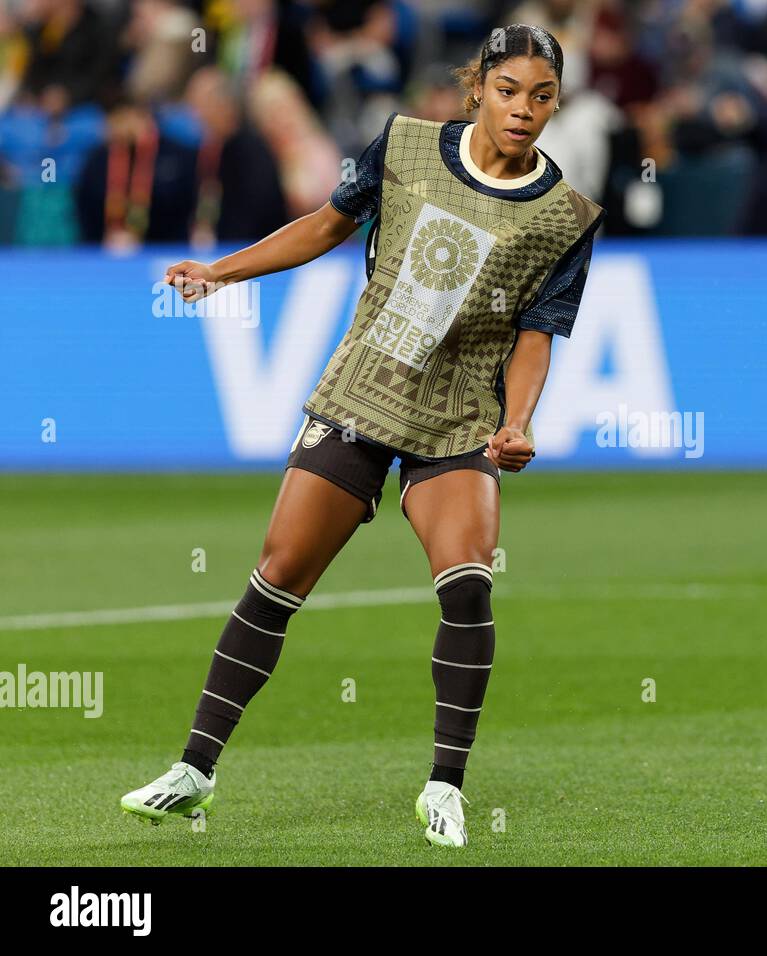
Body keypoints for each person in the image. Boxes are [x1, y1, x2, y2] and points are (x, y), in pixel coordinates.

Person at [119, 24, 607, 849]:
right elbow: (324, 225)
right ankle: (195, 769)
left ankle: (445, 788)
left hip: (459, 420)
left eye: (543, 96)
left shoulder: (567, 215)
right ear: (476, 87)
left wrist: (518, 422)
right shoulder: (406, 147)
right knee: (278, 578)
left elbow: (536, 333)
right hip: (363, 392)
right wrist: (220, 270)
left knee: (468, 586)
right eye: (509, 90)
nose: (525, 110)